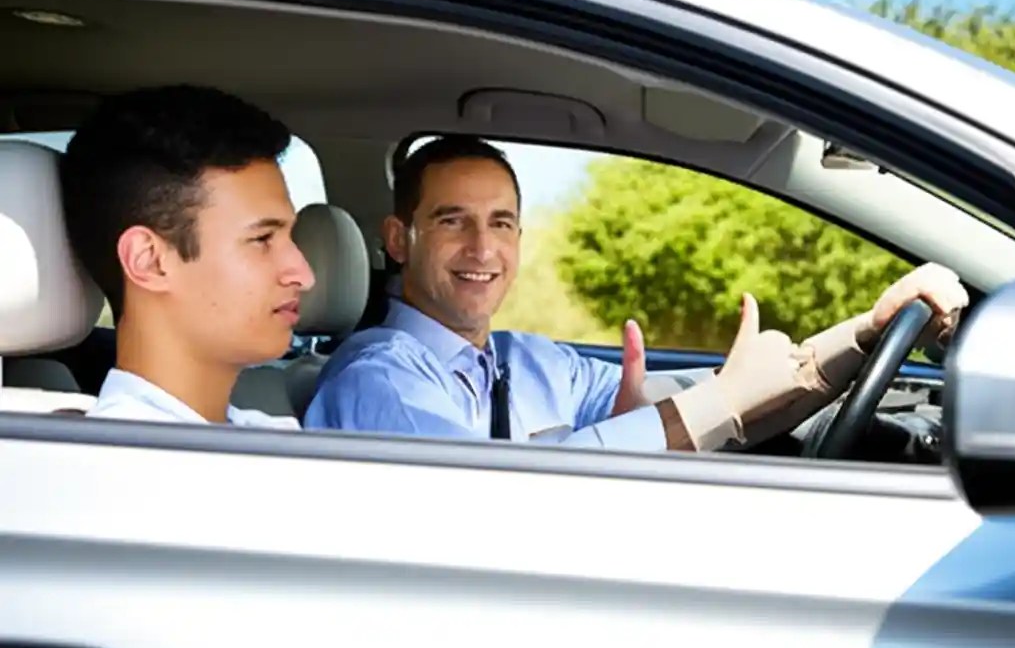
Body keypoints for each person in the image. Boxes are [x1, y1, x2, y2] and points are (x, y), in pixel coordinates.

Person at [305, 135, 967, 451]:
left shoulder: (530, 361)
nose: (483, 249)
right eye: (453, 222)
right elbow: (503, 511)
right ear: (399, 239)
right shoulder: (378, 384)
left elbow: (710, 407)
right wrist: (722, 402)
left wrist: (862, 334)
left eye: (501, 223)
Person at [61, 84, 316, 426]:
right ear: (149, 260)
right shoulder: (107, 467)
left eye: (290, 237)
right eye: (262, 239)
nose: (303, 274)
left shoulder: (272, 434)